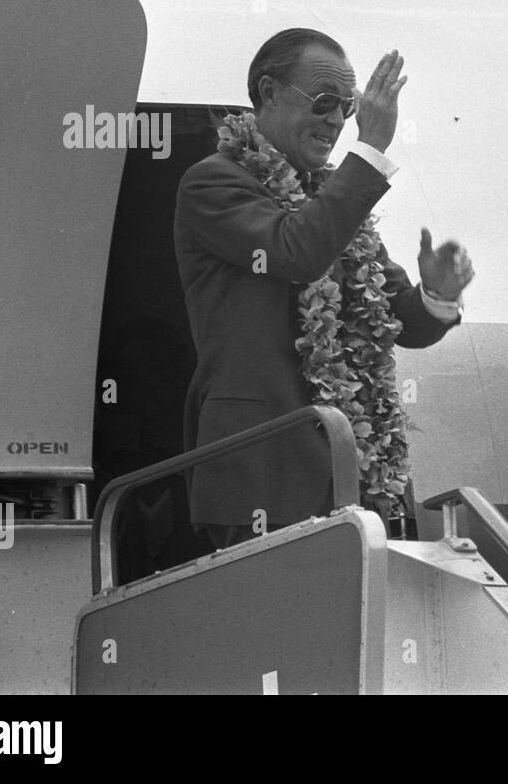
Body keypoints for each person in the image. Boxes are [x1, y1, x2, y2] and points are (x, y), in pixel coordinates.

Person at [175, 28, 474, 550]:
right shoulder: (213, 184)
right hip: (262, 477)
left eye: (348, 106)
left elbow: (399, 318)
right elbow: (295, 254)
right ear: (269, 93)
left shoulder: (335, 204)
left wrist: (438, 295)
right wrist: (372, 149)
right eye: (324, 102)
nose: (337, 121)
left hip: (347, 476)